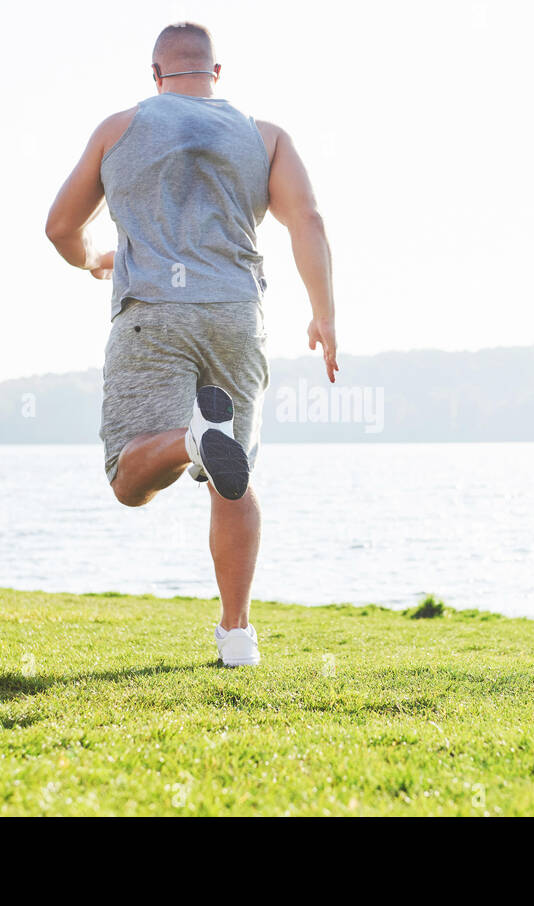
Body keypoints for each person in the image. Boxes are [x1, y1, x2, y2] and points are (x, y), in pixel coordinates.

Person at [45, 22, 337, 666]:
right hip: (236, 314)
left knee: (128, 480)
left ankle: (189, 440)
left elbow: (59, 226)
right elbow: (307, 219)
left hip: (153, 314)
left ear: (155, 76)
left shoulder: (119, 128)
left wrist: (92, 257)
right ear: (216, 73)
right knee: (233, 481)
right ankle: (237, 637)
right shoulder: (266, 136)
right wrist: (324, 315)